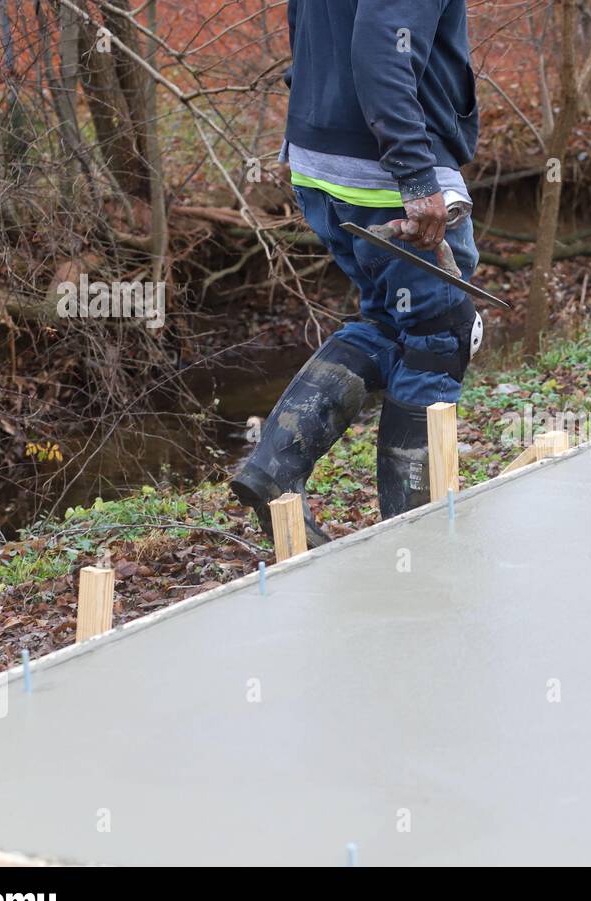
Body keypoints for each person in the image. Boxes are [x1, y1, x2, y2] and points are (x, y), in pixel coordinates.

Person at [231, 0, 483, 547]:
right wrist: (416, 175)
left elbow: (307, 28)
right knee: (439, 336)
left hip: (321, 161)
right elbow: (380, 46)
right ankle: (414, 537)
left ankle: (275, 470)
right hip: (384, 171)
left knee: (393, 320)